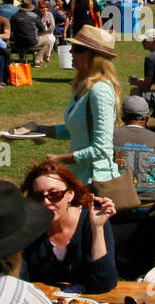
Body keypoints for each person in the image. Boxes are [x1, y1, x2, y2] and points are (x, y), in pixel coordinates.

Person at [16, 26, 122, 187]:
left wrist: (60, 159)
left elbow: (102, 149)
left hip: (96, 183)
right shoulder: (84, 86)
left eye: (77, 49)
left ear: (94, 56)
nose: (71, 52)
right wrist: (38, 130)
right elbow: (76, 130)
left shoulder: (100, 91)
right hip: (81, 179)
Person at [18, 161, 119, 293]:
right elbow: (20, 281)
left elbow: (104, 283)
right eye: (38, 196)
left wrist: (97, 228)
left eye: (54, 194)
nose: (46, 202)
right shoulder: (28, 227)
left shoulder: (91, 220)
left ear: (70, 194)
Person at [112, 96, 155, 205]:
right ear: (147, 118)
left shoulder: (110, 136)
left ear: (123, 118)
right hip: (151, 210)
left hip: (116, 208)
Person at [10, 0, 51, 67]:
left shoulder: (14, 16)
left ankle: (21, 59)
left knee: (22, 37)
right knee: (47, 41)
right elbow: (42, 28)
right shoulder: (34, 16)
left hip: (18, 42)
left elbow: (12, 28)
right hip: (31, 42)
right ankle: (37, 61)